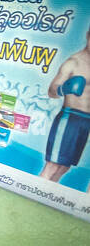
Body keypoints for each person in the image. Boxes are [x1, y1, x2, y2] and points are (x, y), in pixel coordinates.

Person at [40, 26, 90, 186]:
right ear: (88, 36)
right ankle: (29, 198)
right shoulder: (74, 62)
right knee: (52, 166)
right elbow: (51, 91)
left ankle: (44, 198)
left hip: (86, 121)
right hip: (70, 119)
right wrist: (65, 88)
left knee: (63, 168)